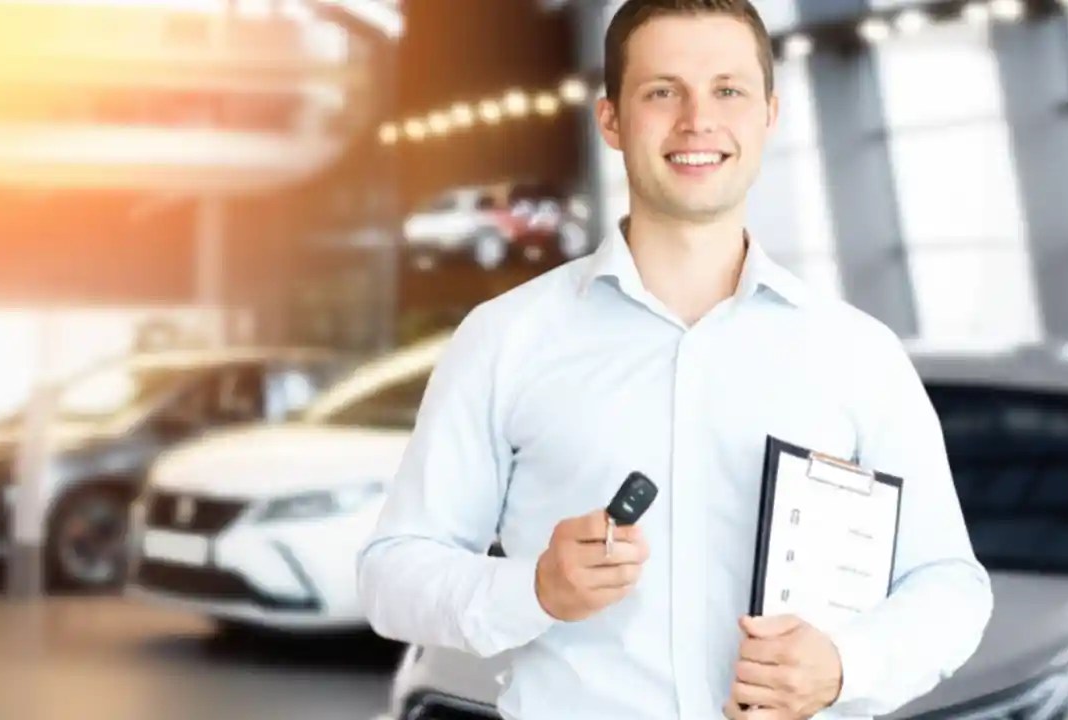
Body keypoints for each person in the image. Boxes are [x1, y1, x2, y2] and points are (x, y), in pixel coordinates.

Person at [356, 1, 993, 718]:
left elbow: (949, 585)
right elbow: (392, 576)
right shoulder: (507, 338)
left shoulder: (858, 354)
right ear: (611, 120)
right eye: (662, 92)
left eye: (728, 90)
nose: (698, 120)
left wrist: (849, 664)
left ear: (768, 115)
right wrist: (532, 590)